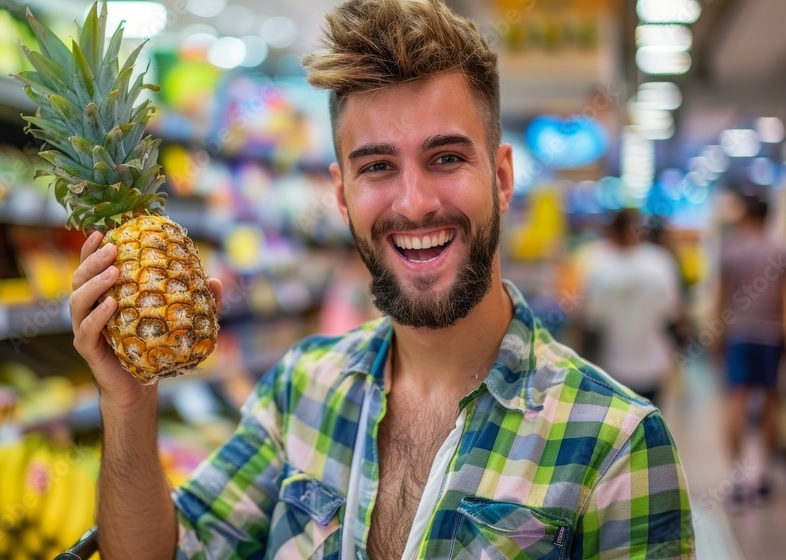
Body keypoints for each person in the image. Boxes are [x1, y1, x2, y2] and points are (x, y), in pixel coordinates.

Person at [69, 0, 695, 557]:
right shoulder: (297, 392)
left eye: (446, 158)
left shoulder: (616, 443)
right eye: (377, 167)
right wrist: (129, 404)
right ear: (341, 194)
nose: (416, 203)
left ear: (501, 178)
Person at [717, 192, 786, 506]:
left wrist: (716, 333)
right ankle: (764, 476)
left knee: (736, 399)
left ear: (745, 215)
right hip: (771, 335)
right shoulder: (779, 250)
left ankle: (736, 477)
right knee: (771, 399)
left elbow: (720, 296)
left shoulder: (731, 249)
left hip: (739, 332)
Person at [583, 208, 684, 405]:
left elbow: (593, 321)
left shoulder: (599, 268)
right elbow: (673, 314)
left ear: (612, 231)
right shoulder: (659, 263)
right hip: (653, 363)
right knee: (651, 423)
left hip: (614, 365)